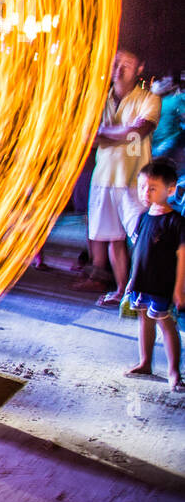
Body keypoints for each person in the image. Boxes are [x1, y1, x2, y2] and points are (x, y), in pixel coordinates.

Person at [73, 49, 160, 305]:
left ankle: (147, 290)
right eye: (115, 63)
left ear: (140, 68)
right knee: (113, 238)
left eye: (127, 64)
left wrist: (107, 133)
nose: (119, 69)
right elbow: (88, 137)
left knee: (142, 239)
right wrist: (122, 131)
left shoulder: (149, 99)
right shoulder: (101, 100)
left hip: (135, 181)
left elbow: (139, 132)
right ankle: (122, 290)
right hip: (103, 179)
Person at [123, 158, 184, 392]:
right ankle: (145, 363)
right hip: (142, 282)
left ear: (170, 190)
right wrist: (131, 280)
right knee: (144, 320)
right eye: (142, 188)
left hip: (163, 284)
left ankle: (174, 372)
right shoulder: (143, 217)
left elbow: (182, 258)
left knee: (166, 324)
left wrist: (179, 288)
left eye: (152, 188)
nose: (145, 193)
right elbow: (138, 251)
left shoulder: (176, 222)